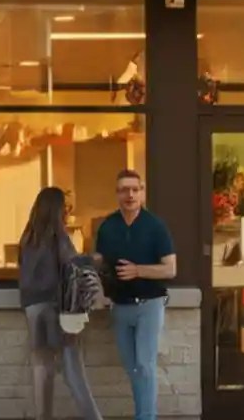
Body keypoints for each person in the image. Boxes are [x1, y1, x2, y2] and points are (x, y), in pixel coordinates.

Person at [94, 170, 176, 420]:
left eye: (134, 189)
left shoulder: (155, 226)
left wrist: (138, 270)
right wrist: (98, 288)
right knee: (133, 368)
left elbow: (171, 269)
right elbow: (99, 264)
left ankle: (146, 417)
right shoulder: (107, 227)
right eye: (124, 190)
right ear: (117, 194)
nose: (130, 195)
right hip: (120, 307)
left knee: (145, 365)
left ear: (142, 192)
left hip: (149, 305)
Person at [18, 187, 103, 420]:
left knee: (41, 365)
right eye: (65, 207)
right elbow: (73, 265)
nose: (67, 211)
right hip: (59, 307)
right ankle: (93, 417)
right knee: (72, 365)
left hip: (32, 307)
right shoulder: (59, 237)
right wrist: (95, 259)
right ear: (57, 210)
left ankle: (43, 417)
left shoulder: (27, 238)